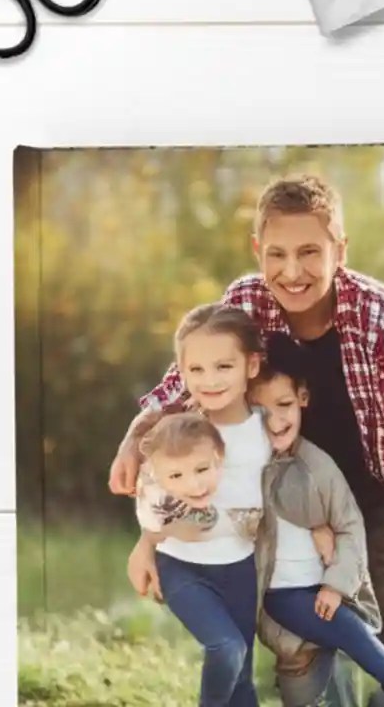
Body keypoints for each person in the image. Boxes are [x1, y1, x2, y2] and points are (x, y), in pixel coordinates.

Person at [116, 174, 384, 706]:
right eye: (277, 254)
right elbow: (187, 380)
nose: (292, 271)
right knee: (312, 637)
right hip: (286, 498)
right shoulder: (246, 301)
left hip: (372, 495)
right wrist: (132, 440)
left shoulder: (379, 315)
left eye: (311, 252)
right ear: (258, 250)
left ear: (341, 249)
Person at [253, 333, 384, 707]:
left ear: (303, 399)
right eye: (259, 410)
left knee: (349, 636)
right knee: (336, 644)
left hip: (322, 591)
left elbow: (349, 526)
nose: (274, 420)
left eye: (283, 404)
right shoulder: (246, 462)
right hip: (280, 596)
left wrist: (335, 585)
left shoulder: (318, 465)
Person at [125, 303, 272, 707]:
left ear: (251, 366)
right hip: (182, 564)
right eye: (196, 370)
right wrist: (146, 544)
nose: (209, 381)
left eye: (224, 367)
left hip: (240, 568)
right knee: (226, 649)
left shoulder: (269, 428)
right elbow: (153, 494)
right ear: (182, 372)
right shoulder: (179, 431)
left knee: (242, 679)